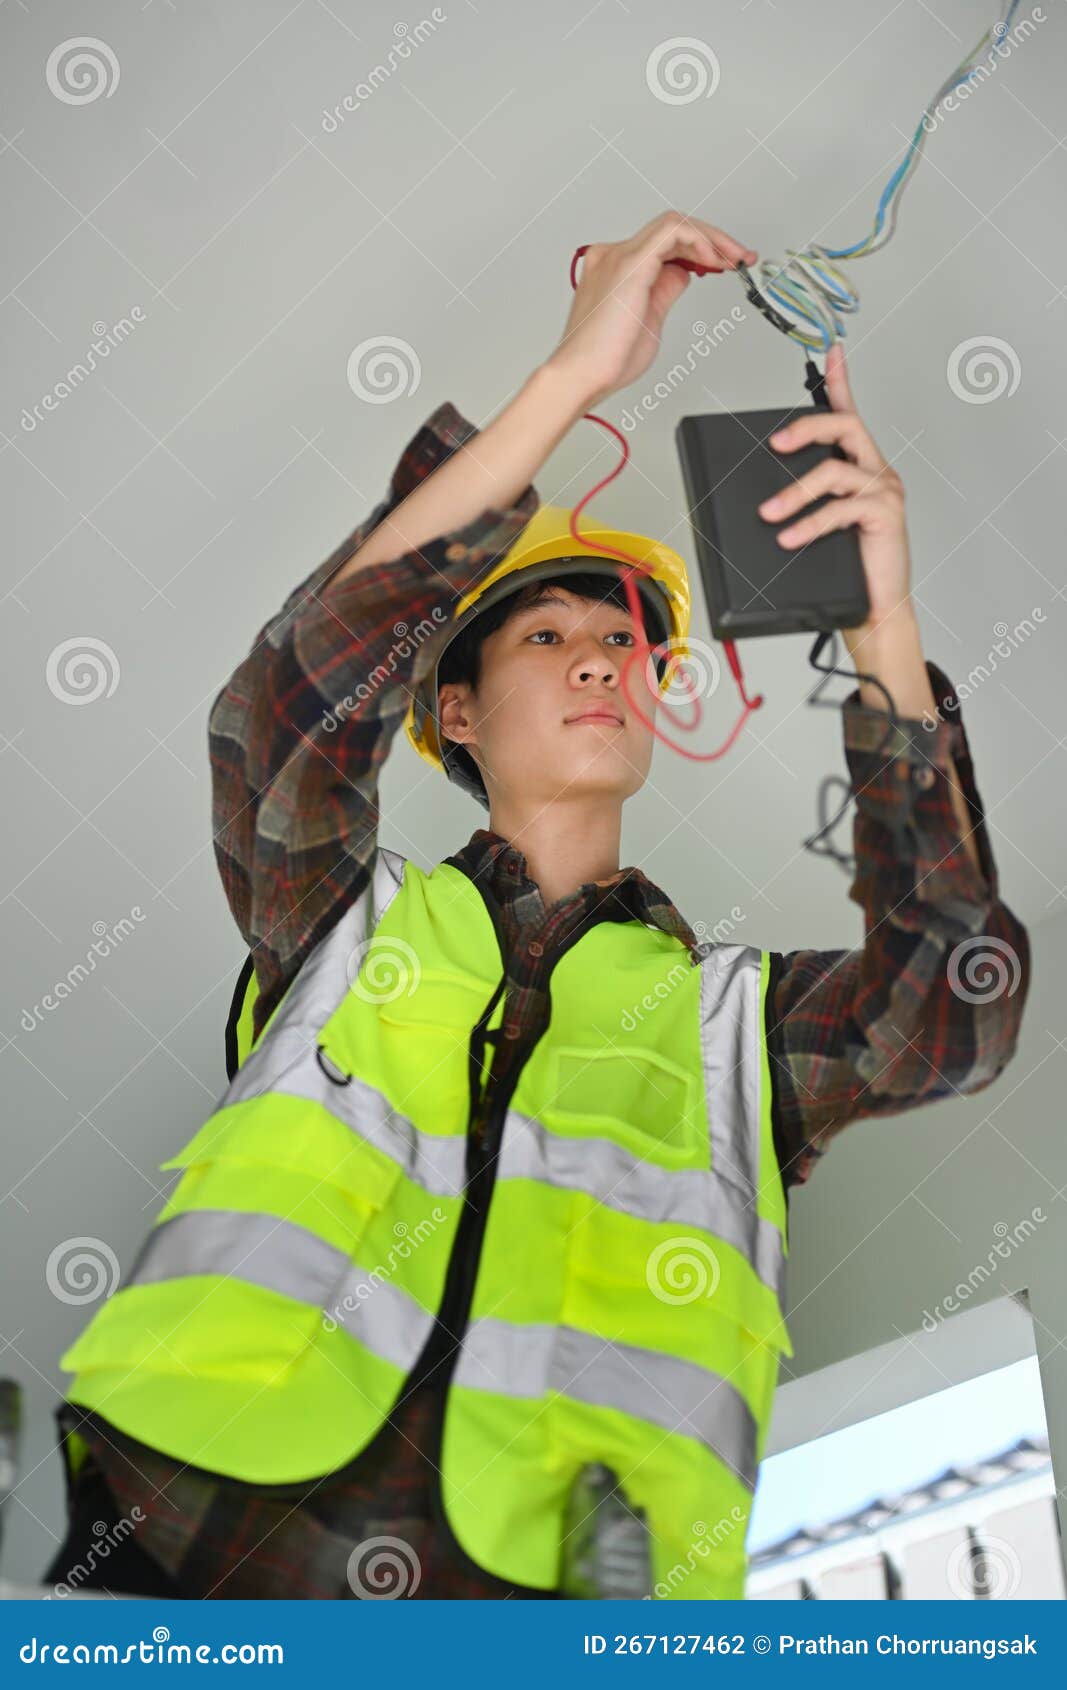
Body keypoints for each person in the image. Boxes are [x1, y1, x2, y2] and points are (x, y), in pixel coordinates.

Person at [46, 212, 1030, 1600]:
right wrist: (571, 380)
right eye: (551, 635)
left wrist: (886, 633)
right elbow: (285, 712)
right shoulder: (342, 925)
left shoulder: (737, 1028)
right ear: (454, 710)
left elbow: (952, 1010)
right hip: (200, 1547)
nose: (600, 660)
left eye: (626, 641)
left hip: (566, 1600)